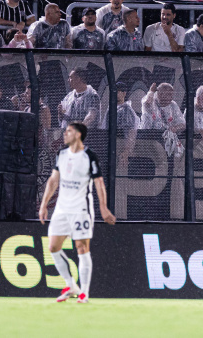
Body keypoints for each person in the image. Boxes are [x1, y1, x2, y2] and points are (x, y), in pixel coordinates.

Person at [39, 121, 116, 304]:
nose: (65, 133)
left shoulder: (89, 156)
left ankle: (84, 293)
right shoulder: (61, 154)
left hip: (81, 208)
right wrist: (43, 204)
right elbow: (53, 181)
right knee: (53, 247)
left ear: (78, 134)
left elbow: (99, 183)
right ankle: (71, 285)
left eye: (69, 131)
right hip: (62, 208)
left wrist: (103, 207)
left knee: (82, 247)